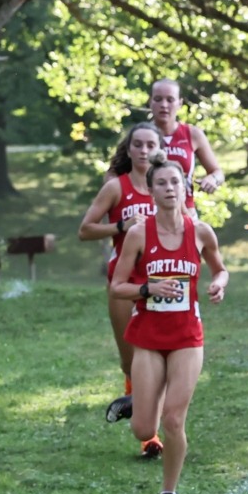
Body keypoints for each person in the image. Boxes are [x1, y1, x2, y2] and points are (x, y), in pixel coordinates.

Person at [107, 155, 228, 494]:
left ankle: (168, 492)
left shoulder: (201, 232)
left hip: (187, 337)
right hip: (147, 336)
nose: (169, 189)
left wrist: (219, 285)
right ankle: (141, 403)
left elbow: (221, 270)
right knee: (144, 430)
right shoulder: (139, 234)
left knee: (174, 419)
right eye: (161, 183)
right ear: (151, 190)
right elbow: (118, 286)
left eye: (175, 182)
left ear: (185, 187)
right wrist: (148, 290)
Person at [78, 123, 163, 434]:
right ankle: (136, 402)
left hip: (160, 285)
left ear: (159, 149)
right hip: (123, 284)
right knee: (130, 362)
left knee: (157, 358)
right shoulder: (116, 187)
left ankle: (149, 435)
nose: (143, 151)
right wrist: (120, 226)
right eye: (137, 145)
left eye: (149, 145)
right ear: (128, 150)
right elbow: (85, 230)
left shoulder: (168, 185)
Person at [147, 79, 224, 197]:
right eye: (158, 99)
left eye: (170, 100)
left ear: (180, 103)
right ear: (150, 101)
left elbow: (218, 173)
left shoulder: (193, 134)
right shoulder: (140, 136)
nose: (164, 105)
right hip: (149, 211)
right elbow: (115, 173)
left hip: (185, 211)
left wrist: (212, 179)